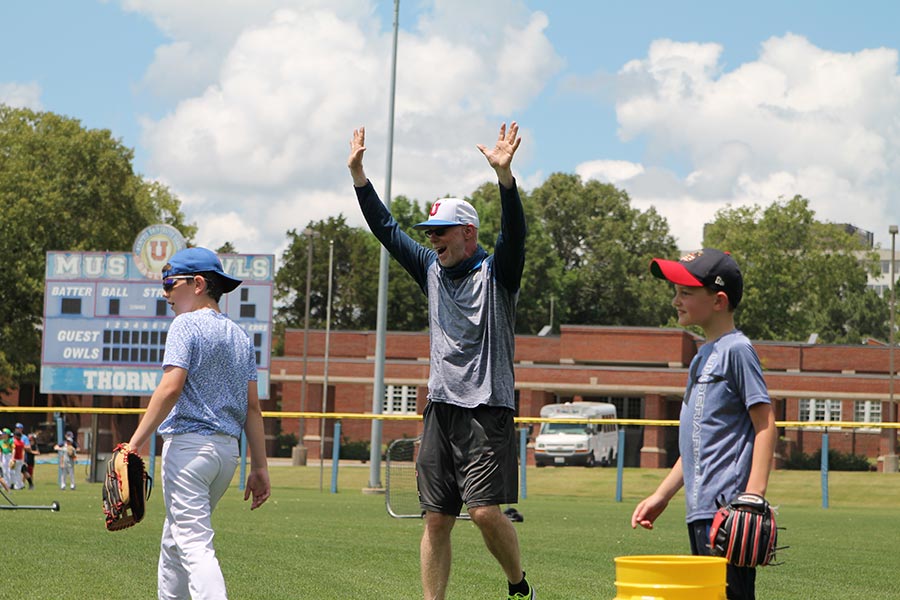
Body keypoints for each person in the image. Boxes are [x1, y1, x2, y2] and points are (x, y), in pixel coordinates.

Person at [348, 123, 534, 600]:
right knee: (436, 518)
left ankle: (519, 587)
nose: (432, 239)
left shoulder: (498, 272)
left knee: (485, 512)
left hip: (488, 409)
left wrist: (505, 180)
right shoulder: (430, 267)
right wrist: (359, 178)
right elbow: (387, 231)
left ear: (468, 233)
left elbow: (515, 234)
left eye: (441, 231)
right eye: (429, 232)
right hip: (441, 410)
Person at [631, 249, 777, 600]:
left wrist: (753, 496)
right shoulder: (701, 357)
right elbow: (694, 441)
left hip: (729, 514)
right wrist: (661, 495)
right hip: (700, 510)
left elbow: (765, 423)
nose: (675, 300)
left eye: (686, 292)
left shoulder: (737, 350)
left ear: (718, 300)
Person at [127, 246, 270, 600]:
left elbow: (171, 387)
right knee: (175, 540)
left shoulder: (185, 324)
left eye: (170, 283)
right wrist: (260, 466)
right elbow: (253, 408)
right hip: (226, 456)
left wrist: (134, 443)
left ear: (198, 284)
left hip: (190, 449)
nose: (165, 294)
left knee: (193, 543)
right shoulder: (239, 335)